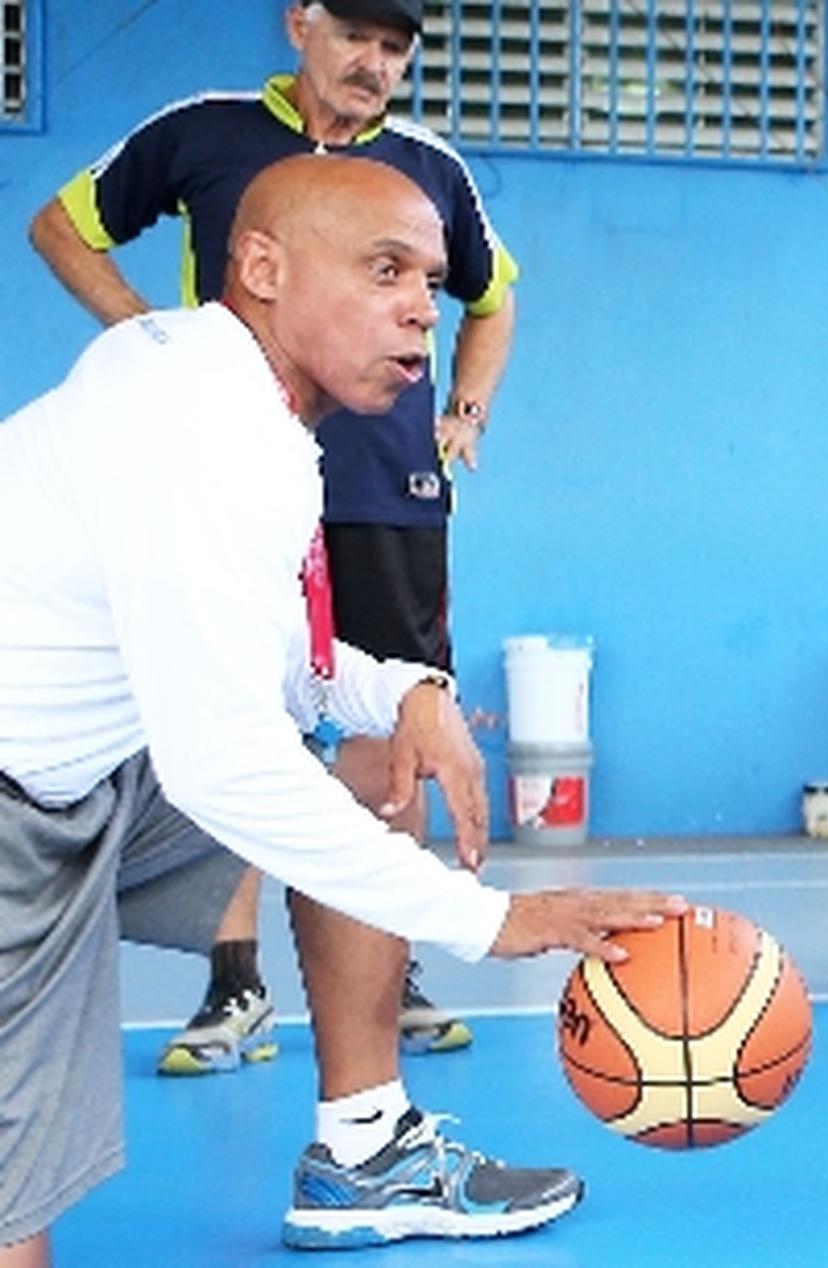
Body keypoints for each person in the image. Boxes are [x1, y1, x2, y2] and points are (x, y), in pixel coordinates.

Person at [0, 155, 678, 1264]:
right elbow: (224, 763)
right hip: (15, 817)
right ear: (261, 266)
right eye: (384, 270)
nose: (422, 306)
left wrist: (404, 686)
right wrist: (495, 919)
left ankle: (366, 1151)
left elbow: (273, 665)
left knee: (371, 774)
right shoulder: (194, 427)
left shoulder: (246, 408)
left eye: (432, 281)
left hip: (85, 777)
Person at [26, 0, 515, 1072]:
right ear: (301, 23)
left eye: (397, 49)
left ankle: (382, 1017)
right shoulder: (205, 137)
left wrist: (465, 415)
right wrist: (150, 336)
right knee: (243, 739)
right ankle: (236, 977)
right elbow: (61, 222)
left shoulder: (427, 169)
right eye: (357, 35)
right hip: (217, 483)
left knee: (368, 729)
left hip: (382, 491)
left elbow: (496, 297)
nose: (375, 64)